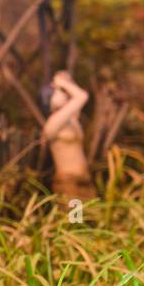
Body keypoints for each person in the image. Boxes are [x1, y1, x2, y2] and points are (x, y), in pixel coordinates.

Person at [42, 70, 95, 201]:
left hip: (84, 180)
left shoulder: (72, 120)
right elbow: (81, 96)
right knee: (75, 220)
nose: (64, 96)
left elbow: (77, 97)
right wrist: (62, 83)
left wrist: (65, 81)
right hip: (68, 183)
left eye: (64, 93)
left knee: (90, 220)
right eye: (58, 93)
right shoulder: (53, 123)